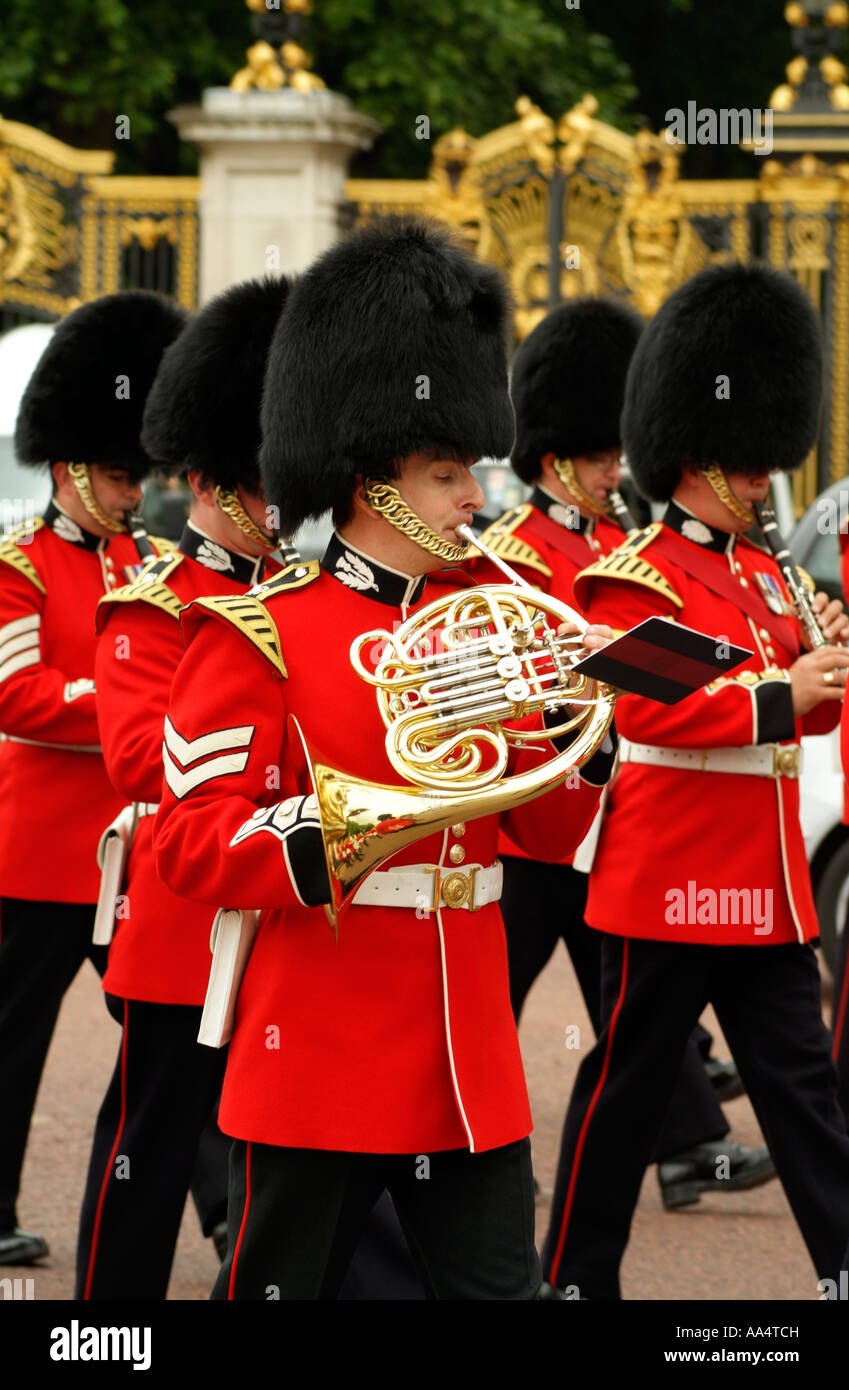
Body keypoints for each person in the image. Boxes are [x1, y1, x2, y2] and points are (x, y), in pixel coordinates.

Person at [152, 217, 617, 1300]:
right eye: (451, 471)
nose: (474, 498)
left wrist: (581, 734)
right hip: (318, 1045)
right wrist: (340, 830)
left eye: (471, 470)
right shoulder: (260, 632)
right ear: (373, 480)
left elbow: (543, 833)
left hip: (467, 1052)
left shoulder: (492, 625)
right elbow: (188, 840)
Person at [538, 261, 849, 1300]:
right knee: (626, 1098)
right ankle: (578, 1283)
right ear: (693, 456)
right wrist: (784, 686)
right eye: (746, 459)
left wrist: (831, 666)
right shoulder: (634, 575)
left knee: (806, 1095)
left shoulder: (772, 577)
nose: (765, 476)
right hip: (667, 883)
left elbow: (807, 712)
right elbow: (652, 704)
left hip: (762, 892)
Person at [475, 296, 773, 1211]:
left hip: (605, 806)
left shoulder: (620, 545)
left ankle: (685, 1140)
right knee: (493, 1003)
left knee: (628, 1003)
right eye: (600, 459)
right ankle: (460, 1150)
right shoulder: (509, 552)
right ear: (559, 461)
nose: (615, 472)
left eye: (616, 455)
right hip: (538, 817)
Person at [74, 276, 291, 1300]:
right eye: (262, 488)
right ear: (210, 483)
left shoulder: (293, 598)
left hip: (279, 915)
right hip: (181, 927)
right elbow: (139, 759)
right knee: (147, 1152)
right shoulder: (153, 606)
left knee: (274, 1149)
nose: (278, 510)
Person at [0, 291, 186, 1265]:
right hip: (37, 856)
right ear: (71, 469)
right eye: (120, 476)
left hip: (128, 858)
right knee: (11, 1048)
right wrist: (116, 706)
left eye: (138, 473)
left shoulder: (149, 565)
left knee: (173, 1041)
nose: (134, 492)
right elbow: (18, 697)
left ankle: (227, 1201)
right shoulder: (18, 567)